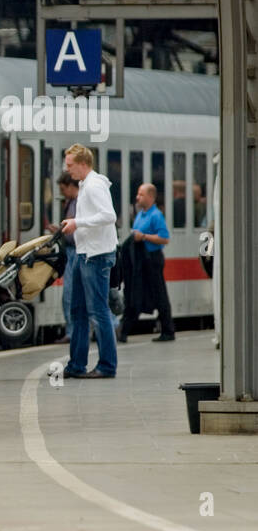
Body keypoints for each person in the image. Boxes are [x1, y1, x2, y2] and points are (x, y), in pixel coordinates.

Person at [60, 144, 118, 379]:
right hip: (85, 253)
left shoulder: (94, 186)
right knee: (78, 310)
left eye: (71, 165)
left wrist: (77, 222)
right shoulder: (86, 185)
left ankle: (107, 365)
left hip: (96, 255)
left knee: (98, 311)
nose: (68, 169)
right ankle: (76, 364)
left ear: (83, 164)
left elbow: (109, 215)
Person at [125, 182, 174, 342]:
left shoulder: (156, 215)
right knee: (137, 292)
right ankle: (124, 329)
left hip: (153, 259)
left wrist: (144, 237)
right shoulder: (140, 214)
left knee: (160, 294)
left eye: (141, 194)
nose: (137, 197)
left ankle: (168, 330)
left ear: (151, 197)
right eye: (138, 194)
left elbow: (164, 238)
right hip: (142, 260)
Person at [48, 172, 79, 343]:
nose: (62, 193)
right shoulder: (72, 203)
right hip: (71, 251)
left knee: (71, 294)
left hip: (76, 251)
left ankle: (72, 331)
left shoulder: (79, 203)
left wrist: (62, 232)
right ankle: (72, 331)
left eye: (63, 189)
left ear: (70, 186)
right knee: (72, 294)